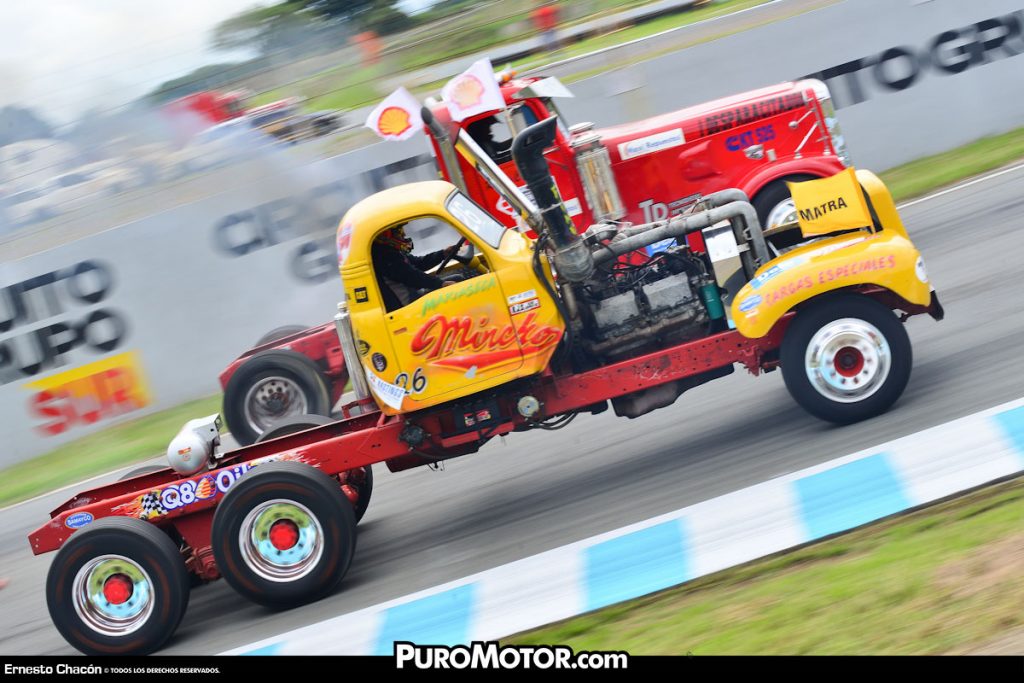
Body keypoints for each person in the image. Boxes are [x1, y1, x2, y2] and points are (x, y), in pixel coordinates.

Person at [372, 224, 462, 312]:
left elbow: (419, 263)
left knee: (457, 279)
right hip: (409, 306)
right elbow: (411, 276)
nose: (403, 234)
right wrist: (441, 284)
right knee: (457, 282)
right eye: (399, 231)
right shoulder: (383, 256)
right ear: (386, 235)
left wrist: (442, 254)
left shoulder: (392, 251)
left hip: (415, 295)